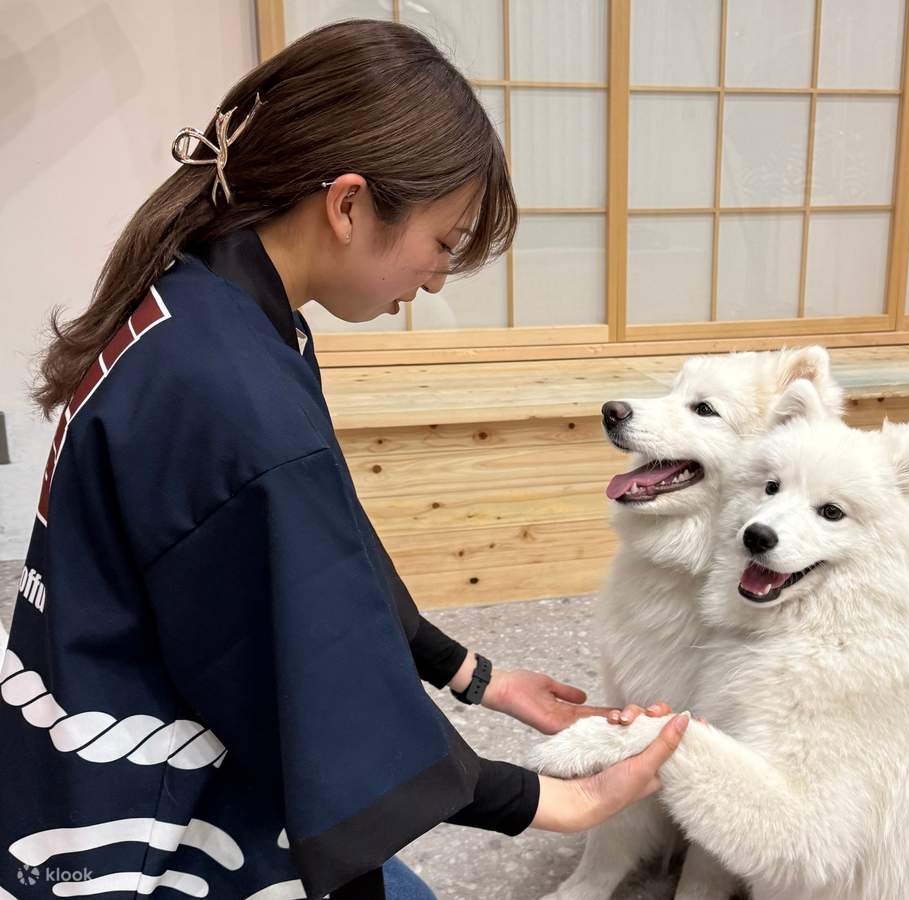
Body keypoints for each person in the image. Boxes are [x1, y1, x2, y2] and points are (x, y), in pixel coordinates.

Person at [0, 20, 687, 900]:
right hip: (140, 818)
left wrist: (475, 675)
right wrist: (563, 800)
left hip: (80, 727)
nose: (438, 277)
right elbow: (332, 701)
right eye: (444, 241)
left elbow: (329, 551)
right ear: (351, 204)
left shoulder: (207, 299)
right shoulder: (235, 396)